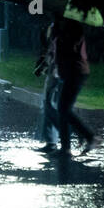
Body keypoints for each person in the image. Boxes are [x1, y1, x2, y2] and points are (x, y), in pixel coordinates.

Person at [54, 16, 95, 154]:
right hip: (69, 72)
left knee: (63, 109)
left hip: (75, 71)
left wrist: (59, 35)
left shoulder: (73, 28)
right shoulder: (64, 27)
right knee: (63, 109)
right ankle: (68, 145)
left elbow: (70, 48)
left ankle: (89, 137)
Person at [34, 19, 62, 151]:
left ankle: (55, 139)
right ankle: (51, 140)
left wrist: (44, 65)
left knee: (49, 105)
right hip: (54, 71)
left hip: (57, 72)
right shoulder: (53, 28)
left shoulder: (58, 29)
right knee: (49, 105)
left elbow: (54, 52)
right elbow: (50, 51)